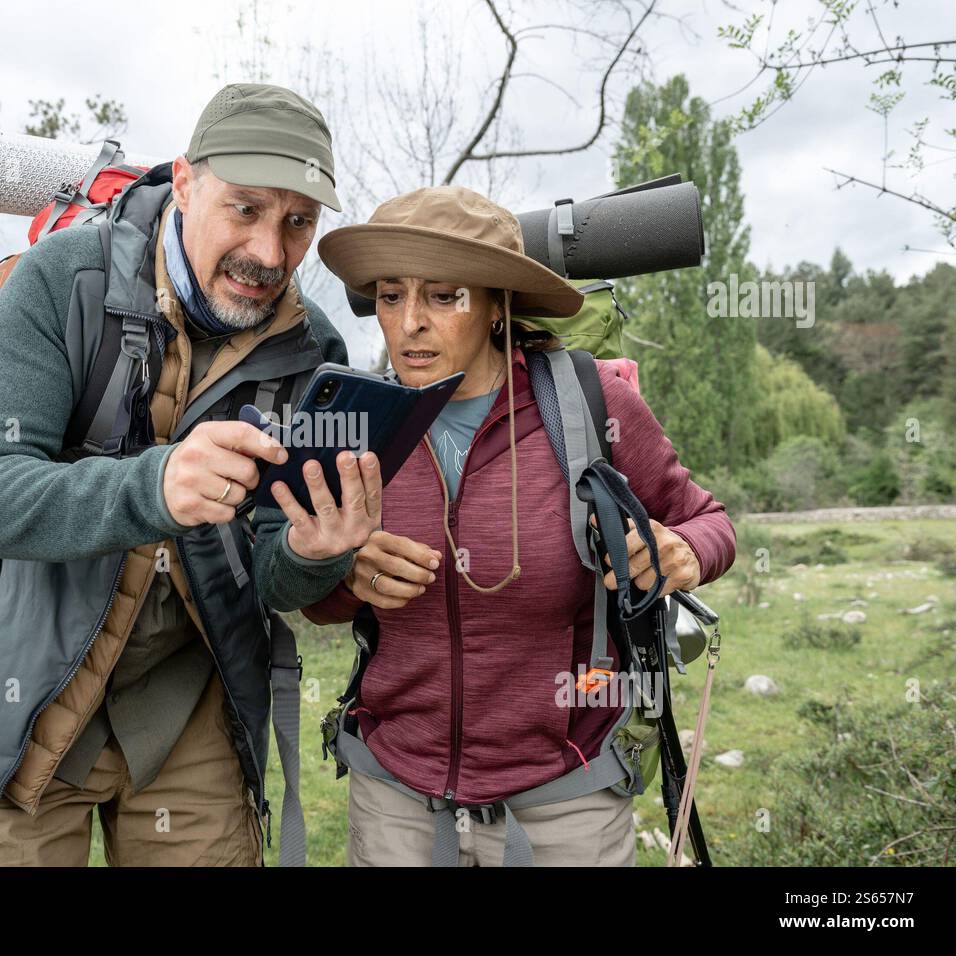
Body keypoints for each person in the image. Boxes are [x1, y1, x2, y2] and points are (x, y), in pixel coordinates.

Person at [0, 83, 381, 866]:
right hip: (24, 691)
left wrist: (315, 552)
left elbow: (274, 581)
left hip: (187, 702)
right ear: (187, 180)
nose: (270, 254)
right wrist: (151, 487)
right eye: (245, 209)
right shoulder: (58, 280)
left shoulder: (316, 355)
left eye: (298, 222)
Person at [252, 185, 737, 866]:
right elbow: (304, 592)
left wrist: (683, 550)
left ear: (494, 304)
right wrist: (338, 566)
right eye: (391, 296)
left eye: (443, 296)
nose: (410, 322)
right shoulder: (354, 425)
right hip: (396, 800)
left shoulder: (590, 405)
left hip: (567, 803)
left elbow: (708, 520)